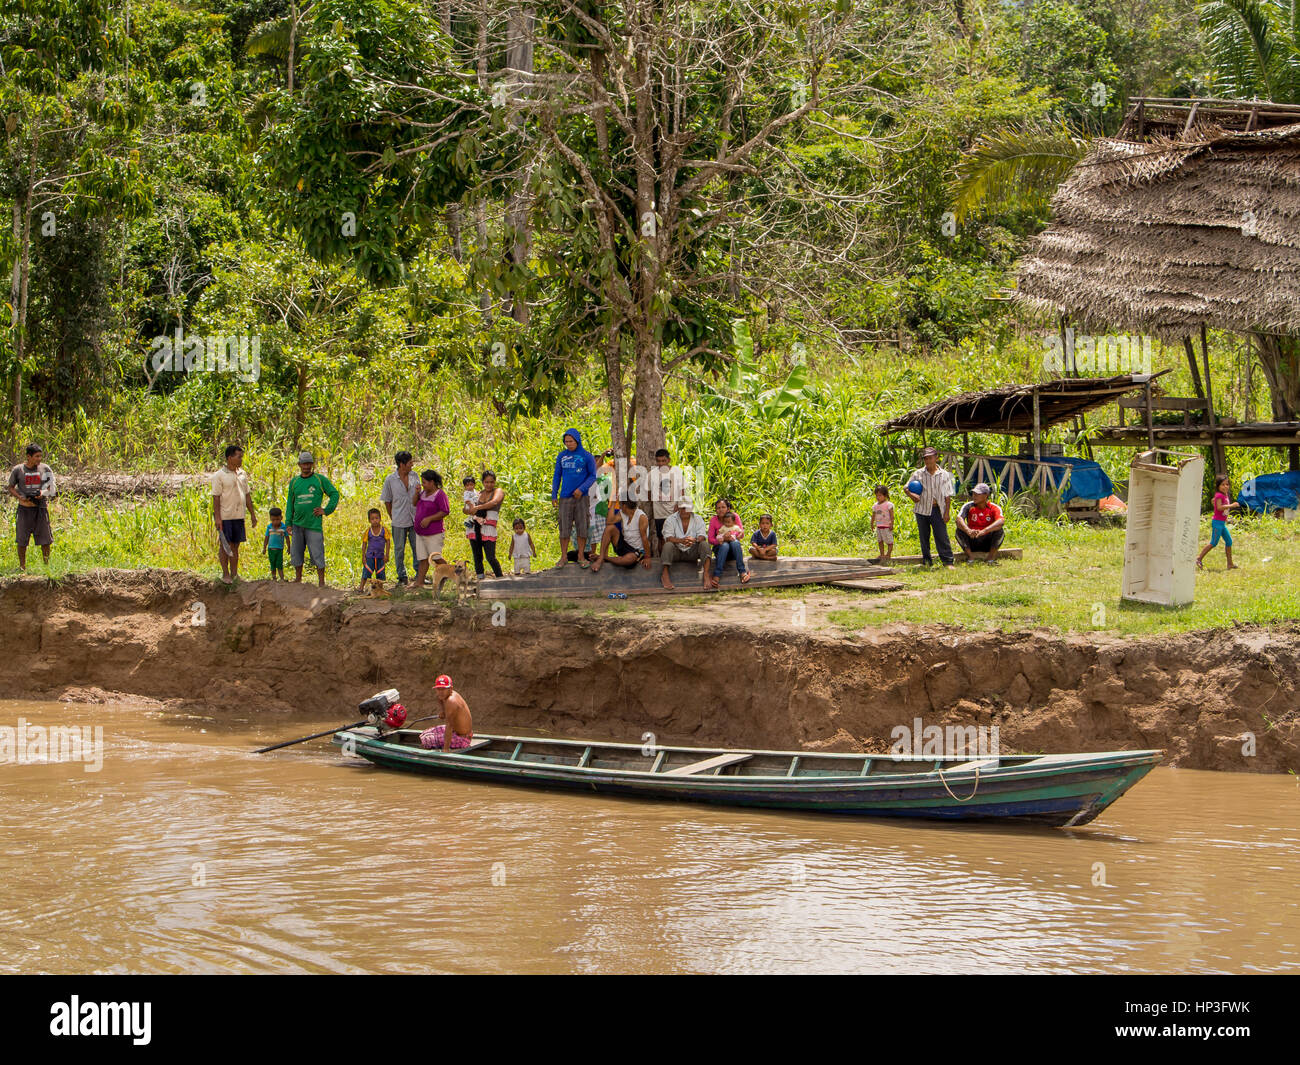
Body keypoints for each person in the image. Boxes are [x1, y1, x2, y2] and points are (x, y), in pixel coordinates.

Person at [285, 451, 340, 586]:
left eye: (309, 463)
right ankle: (298, 579)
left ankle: (321, 582)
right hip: (297, 523)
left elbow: (334, 494)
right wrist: (288, 523)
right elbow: (289, 504)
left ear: (312, 464)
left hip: (313, 524)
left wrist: (326, 510)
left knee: (317, 553)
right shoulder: (294, 482)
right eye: (304, 464)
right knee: (296, 553)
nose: (306, 466)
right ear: (299, 465)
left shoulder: (320, 480)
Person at [550, 428, 597, 568]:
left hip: (581, 498)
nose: (568, 444)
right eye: (566, 442)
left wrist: (581, 489)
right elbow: (557, 475)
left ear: (577, 440)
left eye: (571, 441)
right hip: (565, 497)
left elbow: (592, 475)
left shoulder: (586, 456)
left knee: (582, 526)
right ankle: (564, 556)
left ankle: (581, 556)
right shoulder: (562, 456)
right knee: (564, 527)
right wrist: (554, 494)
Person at [212, 444, 257, 585]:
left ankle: (234, 574)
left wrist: (252, 515)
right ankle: (225, 574)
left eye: (241, 457)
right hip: (225, 516)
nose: (241, 459)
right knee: (225, 546)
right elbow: (216, 498)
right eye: (238, 457)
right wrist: (218, 518)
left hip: (239, 516)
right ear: (230, 458)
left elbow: (247, 495)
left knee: (235, 545)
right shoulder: (219, 476)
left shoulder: (242, 474)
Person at [904, 446, 955, 569]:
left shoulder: (944, 475)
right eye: (925, 458)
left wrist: (946, 513)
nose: (927, 461)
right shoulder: (918, 473)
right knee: (924, 536)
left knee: (941, 535)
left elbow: (947, 496)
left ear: (936, 458)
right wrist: (912, 496)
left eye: (930, 458)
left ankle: (947, 561)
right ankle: (927, 561)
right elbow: (906, 488)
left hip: (937, 509)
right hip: (922, 509)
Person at [8, 443, 55, 571]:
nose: (39, 459)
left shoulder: (45, 469)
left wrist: (42, 493)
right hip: (24, 509)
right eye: (36, 456)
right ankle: (22, 567)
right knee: (22, 539)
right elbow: (10, 487)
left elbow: (52, 488)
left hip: (41, 509)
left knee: (46, 539)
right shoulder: (18, 470)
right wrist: (20, 497)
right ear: (29, 456)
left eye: (40, 456)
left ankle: (47, 567)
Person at [380, 451, 420, 586]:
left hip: (414, 518)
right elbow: (387, 500)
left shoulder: (414, 476)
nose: (412, 464)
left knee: (417, 547)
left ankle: (419, 574)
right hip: (399, 519)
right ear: (402, 464)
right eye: (410, 462)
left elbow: (419, 495)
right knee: (399, 549)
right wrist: (392, 516)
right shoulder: (390, 480)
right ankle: (402, 576)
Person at [411, 469, 451, 589]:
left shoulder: (439, 495)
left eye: (425, 482)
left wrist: (429, 519)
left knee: (435, 557)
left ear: (432, 482)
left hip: (433, 533)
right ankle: (419, 582)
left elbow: (445, 511)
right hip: (421, 532)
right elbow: (414, 503)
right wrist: (417, 493)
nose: (423, 484)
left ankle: (452, 573)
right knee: (423, 558)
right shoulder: (423, 493)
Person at [659, 498, 709, 590]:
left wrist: (694, 540)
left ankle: (706, 574)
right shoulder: (671, 519)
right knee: (668, 545)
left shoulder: (698, 519)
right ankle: (665, 574)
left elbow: (702, 535)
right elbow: (668, 537)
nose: (685, 510)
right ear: (678, 508)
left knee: (704, 544)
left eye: (687, 508)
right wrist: (681, 541)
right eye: (682, 508)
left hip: (692, 551)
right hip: (676, 552)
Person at [590, 497, 651, 571]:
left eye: (620, 504)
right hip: (624, 545)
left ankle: (603, 557)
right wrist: (612, 504)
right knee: (610, 528)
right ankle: (601, 558)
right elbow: (609, 522)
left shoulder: (641, 517)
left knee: (630, 559)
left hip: (636, 551)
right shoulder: (622, 513)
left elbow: (644, 539)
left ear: (624, 506)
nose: (619, 506)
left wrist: (647, 557)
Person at [419, 674, 474, 752]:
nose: (440, 692)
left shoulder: (451, 701)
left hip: (463, 738)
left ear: (450, 689)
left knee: (426, 740)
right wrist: (443, 711)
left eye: (443, 689)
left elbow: (449, 726)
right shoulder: (444, 695)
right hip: (456, 731)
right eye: (438, 689)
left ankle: (438, 751)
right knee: (424, 733)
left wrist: (446, 749)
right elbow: (438, 698)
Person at [1197, 475, 1241, 571]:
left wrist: (1226, 517)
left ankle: (1230, 564)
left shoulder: (1223, 495)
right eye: (1222, 485)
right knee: (1213, 543)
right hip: (1217, 523)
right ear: (1218, 486)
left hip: (1221, 523)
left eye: (1227, 484)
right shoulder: (1219, 495)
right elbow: (1219, 507)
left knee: (1229, 541)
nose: (1225, 486)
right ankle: (1198, 559)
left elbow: (1217, 504)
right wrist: (1232, 505)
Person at [467, 470, 505, 578]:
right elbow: (468, 509)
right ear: (483, 482)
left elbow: (494, 502)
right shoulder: (478, 493)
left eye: (491, 482)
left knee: (490, 556)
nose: (489, 484)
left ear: (495, 482)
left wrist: (477, 508)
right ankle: (480, 578)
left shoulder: (498, 491)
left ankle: (500, 577)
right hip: (475, 527)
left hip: (488, 528)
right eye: (486, 482)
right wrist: (468, 508)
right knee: (477, 555)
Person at [707, 498, 750, 588]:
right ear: (715, 510)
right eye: (718, 508)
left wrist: (734, 536)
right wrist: (721, 540)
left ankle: (742, 572)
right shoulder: (714, 520)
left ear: (728, 509)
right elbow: (710, 539)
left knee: (735, 543)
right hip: (720, 549)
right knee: (725, 545)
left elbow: (741, 533)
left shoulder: (734, 517)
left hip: (733, 550)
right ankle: (717, 575)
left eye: (723, 507)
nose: (721, 510)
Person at [650, 448, 685, 553]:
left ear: (668, 460)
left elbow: (682, 490)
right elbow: (648, 492)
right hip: (659, 513)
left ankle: (675, 561)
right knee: (661, 538)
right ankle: (662, 562)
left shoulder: (677, 471)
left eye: (663, 461)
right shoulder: (652, 474)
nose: (661, 463)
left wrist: (679, 505)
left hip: (674, 511)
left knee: (675, 536)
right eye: (658, 461)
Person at [587, 450, 615, 561]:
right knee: (593, 537)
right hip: (591, 511)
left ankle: (604, 556)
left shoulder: (605, 479)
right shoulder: (589, 477)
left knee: (604, 535)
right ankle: (591, 556)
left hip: (602, 511)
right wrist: (603, 455)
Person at [358, 507, 392, 590]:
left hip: (380, 556)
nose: (375, 520)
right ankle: (361, 588)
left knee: (380, 574)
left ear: (380, 518)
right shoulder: (368, 531)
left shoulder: (384, 530)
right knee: (366, 572)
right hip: (370, 556)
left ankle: (380, 590)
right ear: (369, 520)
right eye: (372, 519)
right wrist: (363, 556)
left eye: (377, 518)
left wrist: (387, 555)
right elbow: (364, 543)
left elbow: (388, 542)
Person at [263, 507, 289, 580]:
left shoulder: (283, 527)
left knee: (279, 564)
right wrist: (264, 548)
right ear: (270, 519)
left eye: (277, 519)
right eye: (273, 520)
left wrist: (289, 547)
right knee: (272, 564)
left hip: (279, 549)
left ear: (281, 518)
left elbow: (287, 538)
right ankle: (274, 578)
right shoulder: (269, 527)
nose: (275, 522)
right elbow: (266, 537)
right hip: (270, 549)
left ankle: (282, 578)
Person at [871, 486, 895, 564]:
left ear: (885, 495)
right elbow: (873, 515)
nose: (878, 497)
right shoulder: (875, 506)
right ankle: (882, 554)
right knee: (880, 541)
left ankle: (888, 554)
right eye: (877, 495)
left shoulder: (888, 504)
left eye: (880, 495)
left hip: (886, 526)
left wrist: (891, 523)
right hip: (879, 526)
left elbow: (892, 515)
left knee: (889, 541)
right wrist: (872, 523)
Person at [462, 475, 479, 540]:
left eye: (471, 485)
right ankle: (469, 522)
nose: (469, 487)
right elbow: (466, 500)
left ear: (474, 484)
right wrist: (471, 506)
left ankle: (470, 521)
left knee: (474, 516)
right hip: (469, 504)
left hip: (474, 504)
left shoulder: (475, 491)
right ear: (465, 486)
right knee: (472, 515)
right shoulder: (466, 492)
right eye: (467, 485)